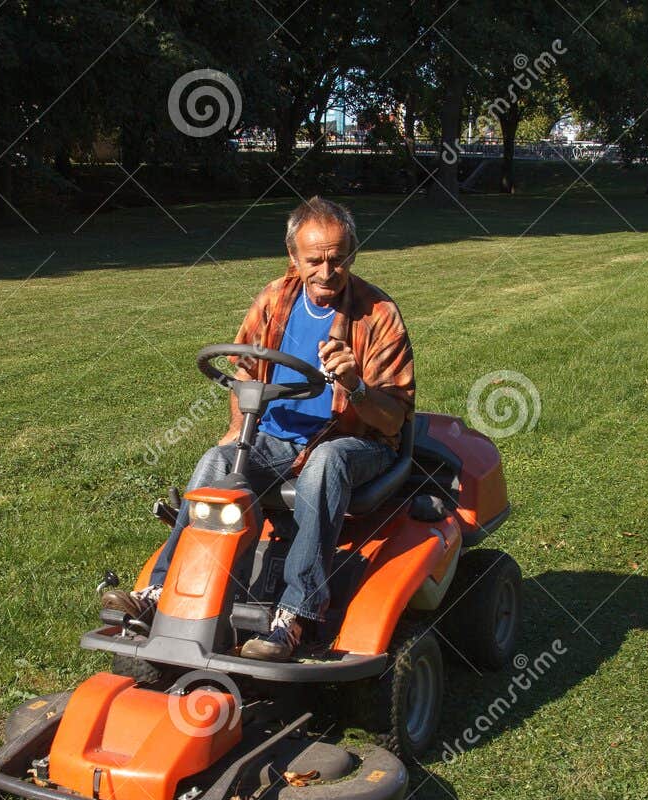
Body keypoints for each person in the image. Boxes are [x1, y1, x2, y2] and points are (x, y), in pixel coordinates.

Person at [103, 196, 415, 660]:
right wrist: (236, 430)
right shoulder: (274, 299)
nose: (327, 271)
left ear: (351, 253)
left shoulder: (378, 314)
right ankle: (160, 594)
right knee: (216, 461)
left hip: (356, 441)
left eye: (337, 258)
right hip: (275, 439)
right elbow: (245, 371)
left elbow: (394, 418)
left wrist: (357, 386)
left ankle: (296, 615)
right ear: (294, 258)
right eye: (314, 261)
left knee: (326, 463)